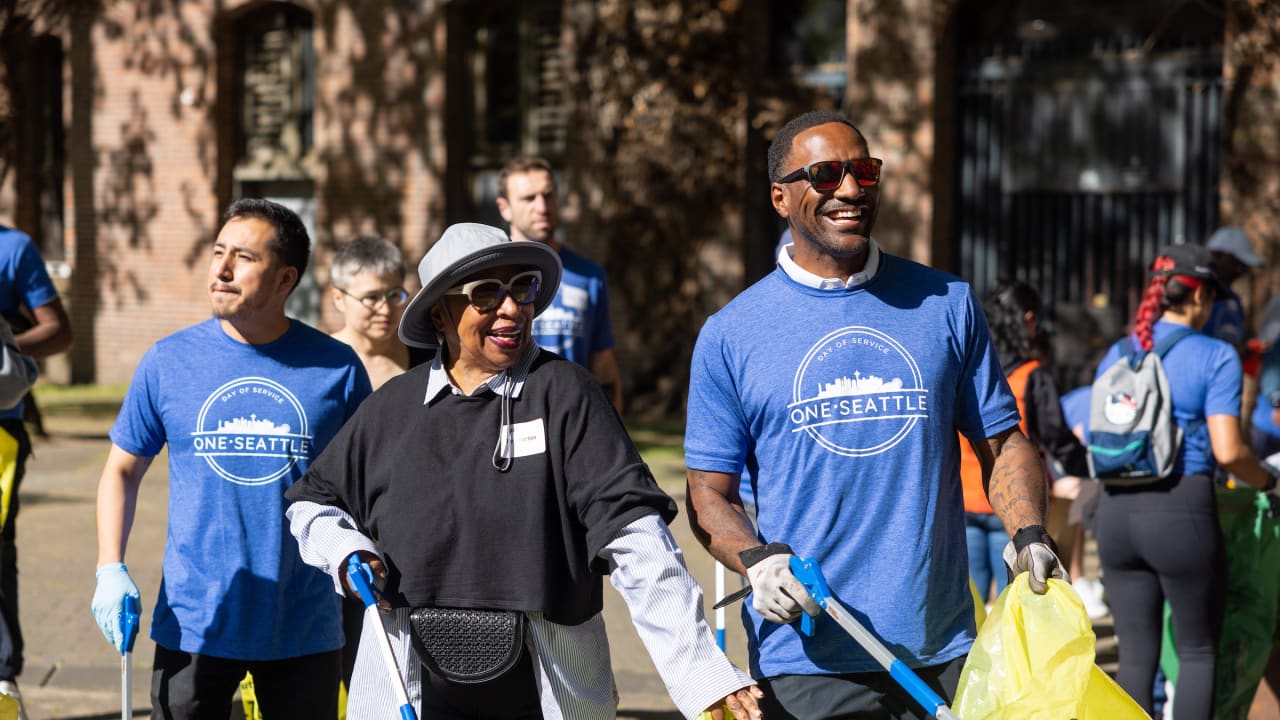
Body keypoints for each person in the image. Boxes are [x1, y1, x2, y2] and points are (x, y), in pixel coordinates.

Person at [285, 223, 763, 720]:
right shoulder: (392, 408)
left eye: (522, 288)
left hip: (548, 685)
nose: (511, 309)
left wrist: (703, 673)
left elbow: (635, 538)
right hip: (407, 684)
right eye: (486, 294)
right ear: (441, 313)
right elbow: (312, 502)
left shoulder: (565, 393)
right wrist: (345, 549)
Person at [683, 110, 1063, 719]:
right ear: (781, 197)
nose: (851, 189)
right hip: (807, 657)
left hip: (939, 649)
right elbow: (707, 493)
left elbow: (1003, 442)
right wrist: (755, 561)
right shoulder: (731, 333)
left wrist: (1029, 533)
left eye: (863, 170)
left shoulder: (945, 302)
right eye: (826, 174)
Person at [90, 199, 372, 719]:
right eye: (218, 252)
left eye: (242, 257)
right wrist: (111, 565)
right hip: (196, 619)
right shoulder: (168, 361)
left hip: (303, 621)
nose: (221, 270)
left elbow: (370, 485)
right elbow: (122, 469)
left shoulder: (337, 368)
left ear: (286, 279)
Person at [1092, 242, 1280, 718]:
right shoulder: (1216, 355)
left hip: (1114, 515)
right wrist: (1268, 482)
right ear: (1199, 297)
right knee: (1198, 652)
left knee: (1135, 657)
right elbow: (1229, 451)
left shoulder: (1118, 351)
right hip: (1181, 513)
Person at [958, 282, 1088, 605]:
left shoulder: (967, 369)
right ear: (1029, 319)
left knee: (972, 606)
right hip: (1016, 507)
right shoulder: (1032, 375)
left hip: (963, 499)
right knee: (1016, 604)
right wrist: (1089, 468)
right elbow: (1056, 436)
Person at [0, 223, 71, 715]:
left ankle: (2, 680)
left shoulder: (12, 248)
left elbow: (59, 330)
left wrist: (6, 351)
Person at [496, 156, 623, 414]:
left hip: (573, 419)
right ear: (504, 208)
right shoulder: (491, 277)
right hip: (507, 417)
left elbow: (603, 365)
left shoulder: (589, 276)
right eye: (529, 199)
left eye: (548, 195)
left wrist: (615, 434)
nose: (542, 207)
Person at [330, 235, 412, 390]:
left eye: (394, 295)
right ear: (338, 299)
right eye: (372, 297)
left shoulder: (429, 360)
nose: (386, 310)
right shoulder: (321, 363)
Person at [1203, 226, 1263, 352]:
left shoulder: (1230, 298)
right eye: (1239, 265)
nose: (1240, 273)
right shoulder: (1225, 301)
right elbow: (1229, 349)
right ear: (1217, 255)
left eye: (1245, 268)